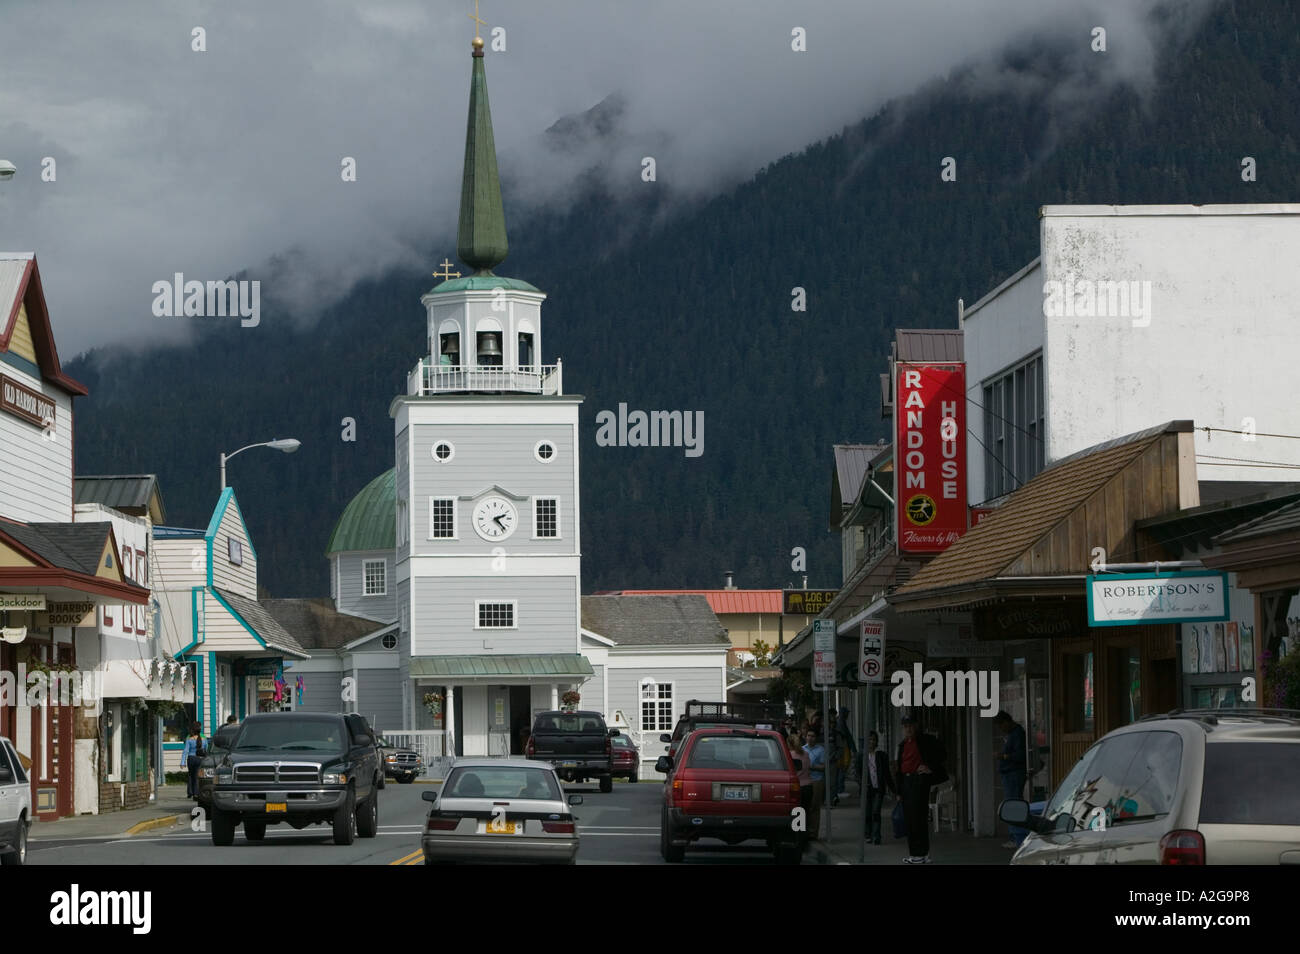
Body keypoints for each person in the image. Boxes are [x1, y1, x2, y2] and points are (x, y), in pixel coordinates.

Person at [895, 716, 946, 864]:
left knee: (918, 818)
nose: (908, 729)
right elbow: (899, 769)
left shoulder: (925, 741)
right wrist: (898, 791)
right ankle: (918, 853)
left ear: (916, 726)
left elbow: (942, 754)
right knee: (910, 819)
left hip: (918, 781)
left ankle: (920, 854)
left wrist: (929, 766)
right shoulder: (902, 745)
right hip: (906, 782)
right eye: (905, 726)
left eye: (910, 726)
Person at [994, 711, 1028, 849]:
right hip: (1010, 774)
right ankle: (1015, 835)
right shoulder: (1012, 734)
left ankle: (1017, 836)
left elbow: (1020, 755)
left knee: (1013, 804)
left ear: (1006, 722)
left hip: (1013, 773)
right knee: (1012, 804)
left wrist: (1004, 756)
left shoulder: (1017, 734)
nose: (1001, 730)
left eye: (1001, 726)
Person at [862, 730, 895, 845]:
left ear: (876, 742)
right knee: (867, 813)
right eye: (869, 740)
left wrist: (894, 790)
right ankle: (868, 834)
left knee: (876, 812)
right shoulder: (862, 756)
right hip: (867, 789)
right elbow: (857, 773)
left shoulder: (881, 756)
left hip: (878, 789)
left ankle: (876, 836)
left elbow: (887, 774)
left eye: (873, 740)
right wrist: (862, 784)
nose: (871, 742)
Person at [801, 728, 827, 841]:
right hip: (804, 780)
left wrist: (811, 766)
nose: (810, 738)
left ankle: (813, 832)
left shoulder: (821, 750)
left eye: (813, 736)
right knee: (803, 807)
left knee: (814, 807)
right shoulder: (802, 749)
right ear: (805, 737)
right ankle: (802, 831)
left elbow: (823, 767)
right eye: (808, 735)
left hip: (816, 780)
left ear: (816, 738)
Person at [833, 707, 857, 801]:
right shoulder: (840, 723)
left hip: (843, 748)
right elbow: (847, 737)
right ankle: (840, 788)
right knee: (842, 768)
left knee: (842, 768)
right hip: (843, 749)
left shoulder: (840, 722)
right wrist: (853, 748)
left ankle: (840, 788)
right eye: (847, 713)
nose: (848, 715)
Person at [182, 722, 207, 800]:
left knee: (191, 775)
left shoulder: (189, 739)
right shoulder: (204, 739)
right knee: (197, 776)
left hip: (191, 758)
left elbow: (185, 751)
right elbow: (206, 750)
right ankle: (196, 793)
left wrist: (182, 762)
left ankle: (191, 792)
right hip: (200, 758)